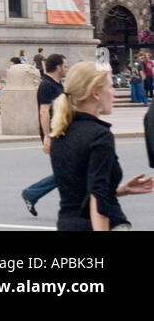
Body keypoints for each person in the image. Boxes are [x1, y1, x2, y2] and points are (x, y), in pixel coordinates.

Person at [49, 61, 153, 230]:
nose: (114, 94)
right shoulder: (99, 135)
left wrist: (121, 189)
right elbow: (98, 198)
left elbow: (80, 193)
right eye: (110, 87)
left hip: (67, 224)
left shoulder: (60, 132)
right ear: (96, 94)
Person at [22, 54, 66, 217]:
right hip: (55, 135)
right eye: (65, 66)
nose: (66, 69)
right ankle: (31, 193)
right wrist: (47, 136)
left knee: (67, 171)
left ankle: (31, 193)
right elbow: (44, 111)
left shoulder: (57, 84)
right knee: (67, 172)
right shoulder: (46, 85)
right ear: (58, 67)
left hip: (62, 132)